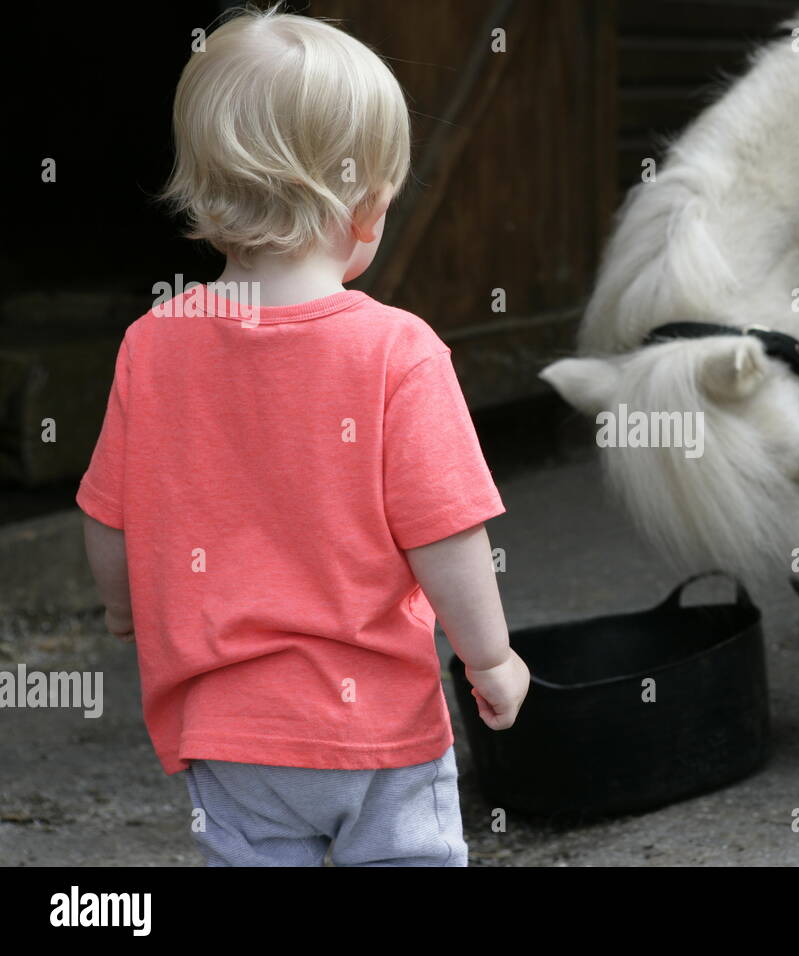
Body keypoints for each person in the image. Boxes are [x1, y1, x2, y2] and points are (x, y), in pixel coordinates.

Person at [76, 4, 529, 866]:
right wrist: (491, 657)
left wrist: (120, 608)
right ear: (365, 208)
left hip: (230, 732)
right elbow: (446, 534)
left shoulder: (152, 346)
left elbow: (108, 515)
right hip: (379, 734)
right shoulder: (398, 352)